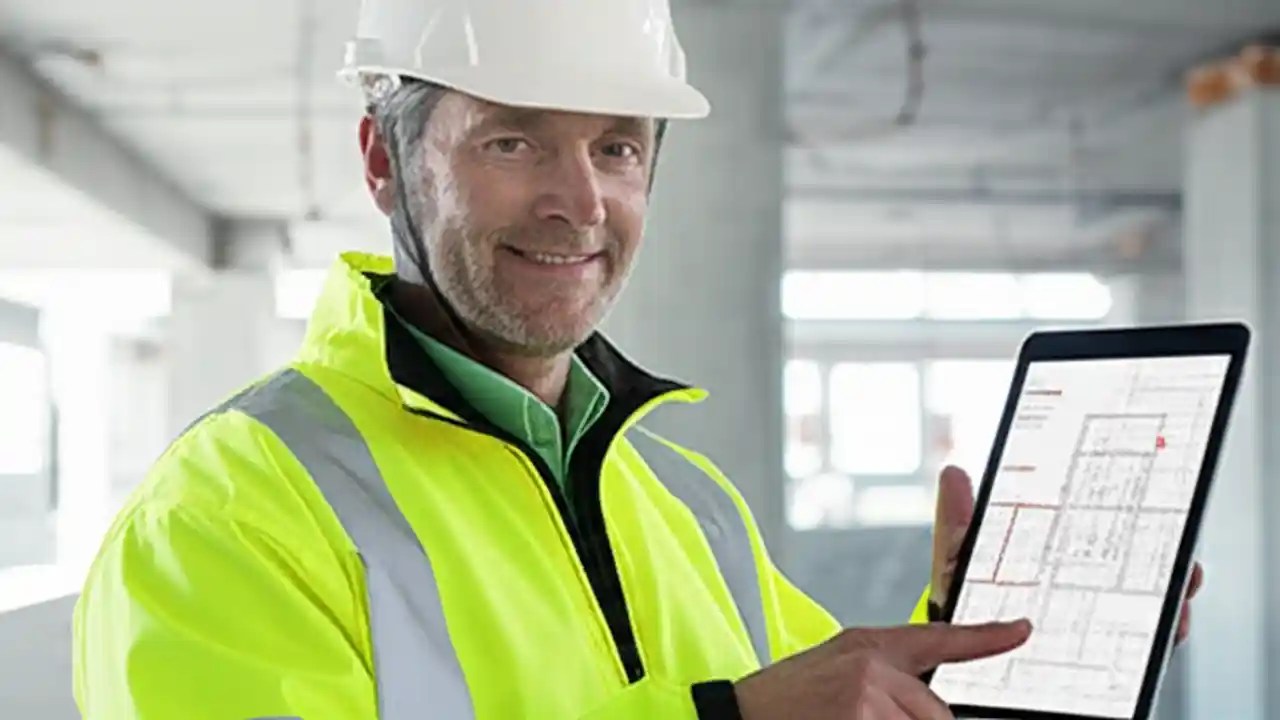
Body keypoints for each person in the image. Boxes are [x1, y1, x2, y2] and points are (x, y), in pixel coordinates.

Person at [71, 0, 1204, 718]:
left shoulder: (686, 508)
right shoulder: (229, 509)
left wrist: (975, 639)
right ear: (384, 158)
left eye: (616, 146)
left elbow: (830, 704)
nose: (579, 203)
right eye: (512, 139)